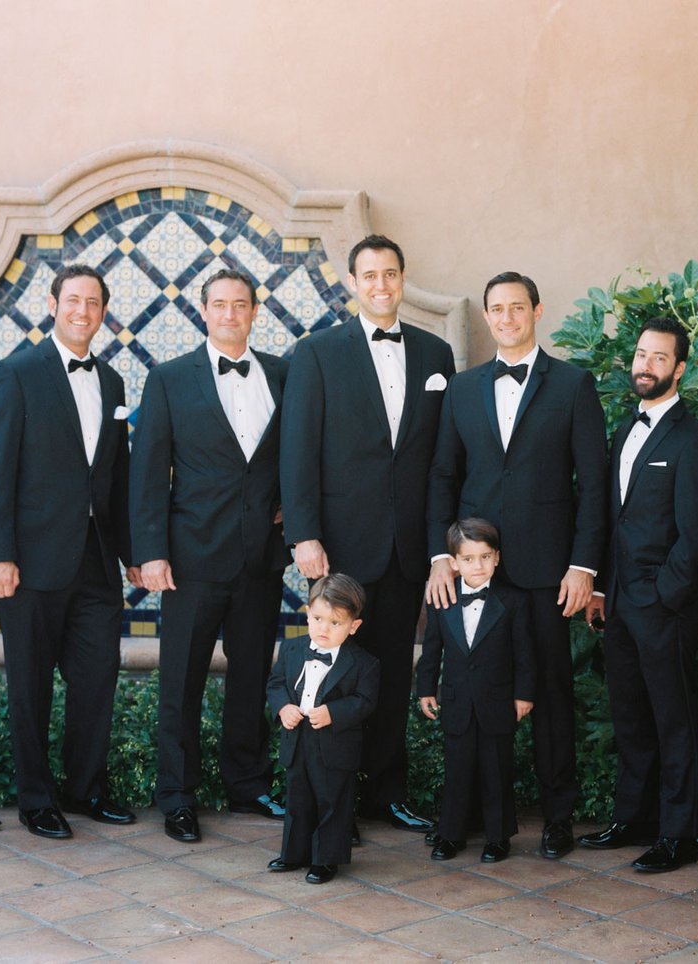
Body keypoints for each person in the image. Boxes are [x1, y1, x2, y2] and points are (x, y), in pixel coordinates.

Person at [427, 271, 606, 859]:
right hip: (477, 568)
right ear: (486, 317)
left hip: (548, 571)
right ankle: (476, 815)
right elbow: (444, 477)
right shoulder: (463, 388)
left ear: (537, 310)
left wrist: (584, 565)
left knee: (550, 693)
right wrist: (442, 558)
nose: (506, 318)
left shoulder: (574, 385)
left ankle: (558, 816)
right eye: (496, 310)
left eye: (517, 308)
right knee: (474, 694)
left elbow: (594, 485)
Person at [281, 234, 454, 834]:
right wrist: (304, 534)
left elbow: (439, 464)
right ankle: (337, 802)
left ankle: (387, 790)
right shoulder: (318, 353)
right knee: (333, 675)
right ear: (351, 283)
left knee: (386, 674)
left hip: (406, 548)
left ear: (402, 279)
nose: (381, 285)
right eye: (369, 276)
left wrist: (438, 549)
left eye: (390, 274)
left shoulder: (436, 355)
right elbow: (297, 451)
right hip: (342, 545)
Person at [0, 263, 141, 839]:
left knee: (97, 681)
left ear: (103, 313)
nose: (83, 311)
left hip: (96, 563)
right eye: (73, 300)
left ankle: (85, 789)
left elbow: (114, 478)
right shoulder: (16, 373)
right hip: (31, 564)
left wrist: (133, 553)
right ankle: (35, 798)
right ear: (52, 305)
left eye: (93, 303)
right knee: (30, 686)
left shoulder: (114, 382)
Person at [130, 269, 288, 844]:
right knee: (182, 683)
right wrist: (150, 552)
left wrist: (291, 516)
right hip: (191, 560)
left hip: (260, 560)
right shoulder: (170, 379)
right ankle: (177, 796)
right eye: (219, 304)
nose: (229, 314)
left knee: (250, 678)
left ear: (254, 311)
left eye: (239, 305)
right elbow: (147, 471)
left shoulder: (283, 373)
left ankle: (248, 785)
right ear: (203, 311)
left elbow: (299, 456)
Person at [581, 316, 698, 873]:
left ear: (680, 368)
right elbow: (616, 520)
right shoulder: (624, 429)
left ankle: (678, 835)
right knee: (631, 718)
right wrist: (600, 589)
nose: (646, 365)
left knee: (673, 721)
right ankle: (633, 817)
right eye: (642, 355)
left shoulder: (696, 440)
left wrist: (664, 594)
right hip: (617, 603)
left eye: (659, 358)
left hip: (664, 607)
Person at [416, 518, 535, 864]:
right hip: (456, 701)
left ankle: (498, 838)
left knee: (496, 770)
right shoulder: (443, 600)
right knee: (457, 771)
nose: (477, 566)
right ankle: (449, 835)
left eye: (485, 557)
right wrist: (426, 688)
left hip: (498, 701)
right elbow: (432, 649)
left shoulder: (513, 601)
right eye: (468, 559)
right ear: (453, 562)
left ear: (497, 558)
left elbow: (525, 654)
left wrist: (524, 694)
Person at [265, 574, 380, 884]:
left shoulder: (363, 663)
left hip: (334, 745)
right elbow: (276, 683)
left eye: (335, 623)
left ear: (353, 626)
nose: (323, 629)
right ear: (307, 613)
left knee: (332, 802)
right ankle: (293, 853)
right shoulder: (291, 649)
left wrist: (334, 712)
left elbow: (366, 701)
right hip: (298, 739)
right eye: (317, 619)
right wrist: (283, 707)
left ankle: (326, 860)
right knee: (298, 799)